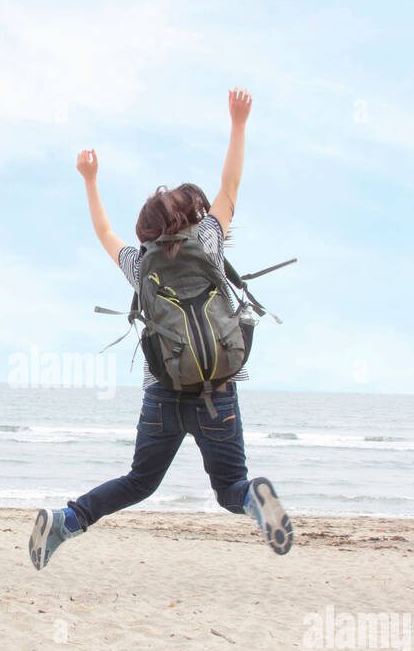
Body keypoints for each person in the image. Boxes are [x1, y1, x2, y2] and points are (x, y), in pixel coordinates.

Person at [30, 87, 294, 570]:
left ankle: (66, 519)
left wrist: (90, 179)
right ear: (192, 217)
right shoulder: (210, 242)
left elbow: (104, 234)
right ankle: (255, 499)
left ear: (147, 229)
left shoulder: (140, 264)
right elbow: (230, 188)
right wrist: (238, 124)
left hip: (163, 394)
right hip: (218, 387)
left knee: (139, 481)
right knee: (230, 487)